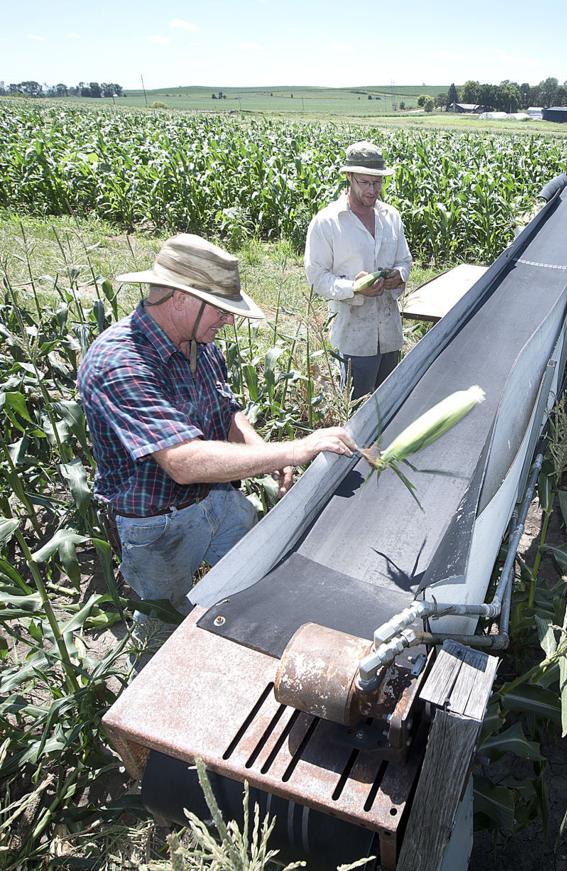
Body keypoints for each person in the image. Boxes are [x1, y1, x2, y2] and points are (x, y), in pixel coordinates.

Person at [78, 233, 357, 646]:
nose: (229, 320)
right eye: (222, 309)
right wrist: (295, 449)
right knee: (162, 621)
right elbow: (183, 462)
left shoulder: (199, 343)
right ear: (180, 298)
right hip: (156, 527)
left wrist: (265, 453)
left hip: (217, 500)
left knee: (252, 587)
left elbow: (225, 412)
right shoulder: (119, 363)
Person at [305, 141, 414, 401]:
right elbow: (317, 276)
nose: (372, 190)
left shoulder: (391, 217)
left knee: (388, 404)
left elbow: (405, 261)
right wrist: (353, 288)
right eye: (365, 183)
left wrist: (398, 276)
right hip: (354, 334)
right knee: (358, 408)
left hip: (389, 331)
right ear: (349, 177)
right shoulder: (328, 222)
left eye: (377, 183)